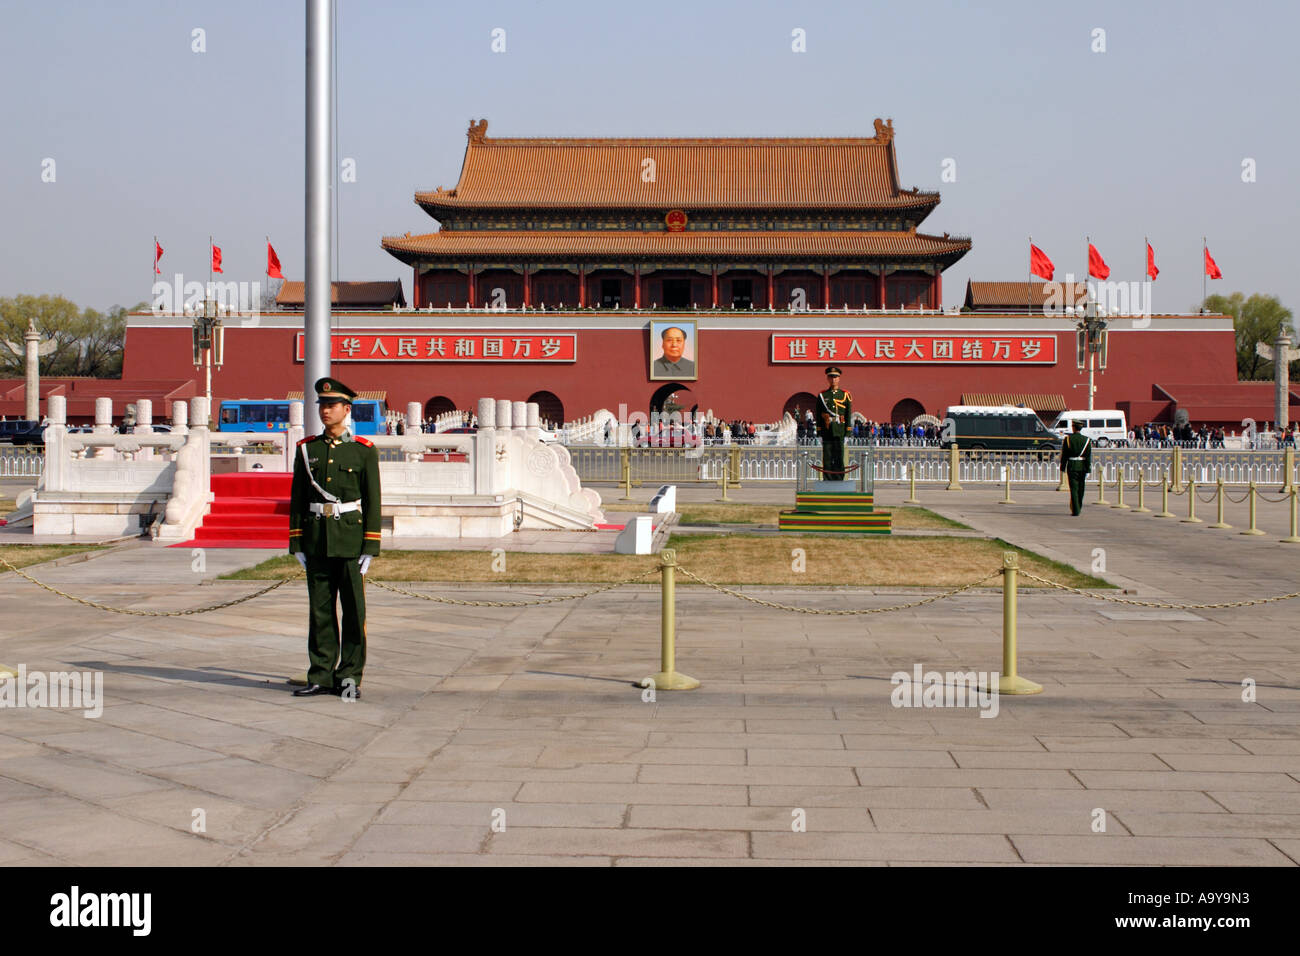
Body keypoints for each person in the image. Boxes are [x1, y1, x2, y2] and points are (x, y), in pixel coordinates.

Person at [289, 377, 382, 700]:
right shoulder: (307, 450)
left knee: (354, 612)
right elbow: (298, 498)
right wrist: (297, 542)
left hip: (351, 542)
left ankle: (349, 676)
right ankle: (321, 673)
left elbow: (372, 501)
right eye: (322, 406)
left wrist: (371, 545)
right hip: (317, 539)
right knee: (321, 611)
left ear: (346, 409)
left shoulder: (363, 452)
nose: (325, 411)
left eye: (331, 406)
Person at [816, 366, 852, 479]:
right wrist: (819, 433)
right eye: (831, 377)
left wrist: (847, 433)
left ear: (839, 379)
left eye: (835, 377)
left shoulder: (845, 395)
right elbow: (818, 415)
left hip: (839, 430)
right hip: (827, 430)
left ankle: (839, 480)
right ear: (827, 379)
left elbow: (848, 414)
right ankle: (827, 480)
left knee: (838, 457)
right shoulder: (822, 395)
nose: (833, 380)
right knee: (827, 457)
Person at [1059, 419, 1092, 517]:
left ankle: (1076, 510)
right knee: (1081, 488)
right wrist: (1088, 469)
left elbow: (1064, 455)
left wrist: (1062, 467)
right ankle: (1079, 507)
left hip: (1072, 465)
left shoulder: (1068, 439)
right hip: (1082, 466)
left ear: (1073, 427)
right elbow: (1088, 456)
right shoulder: (1087, 440)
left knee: (1073, 489)